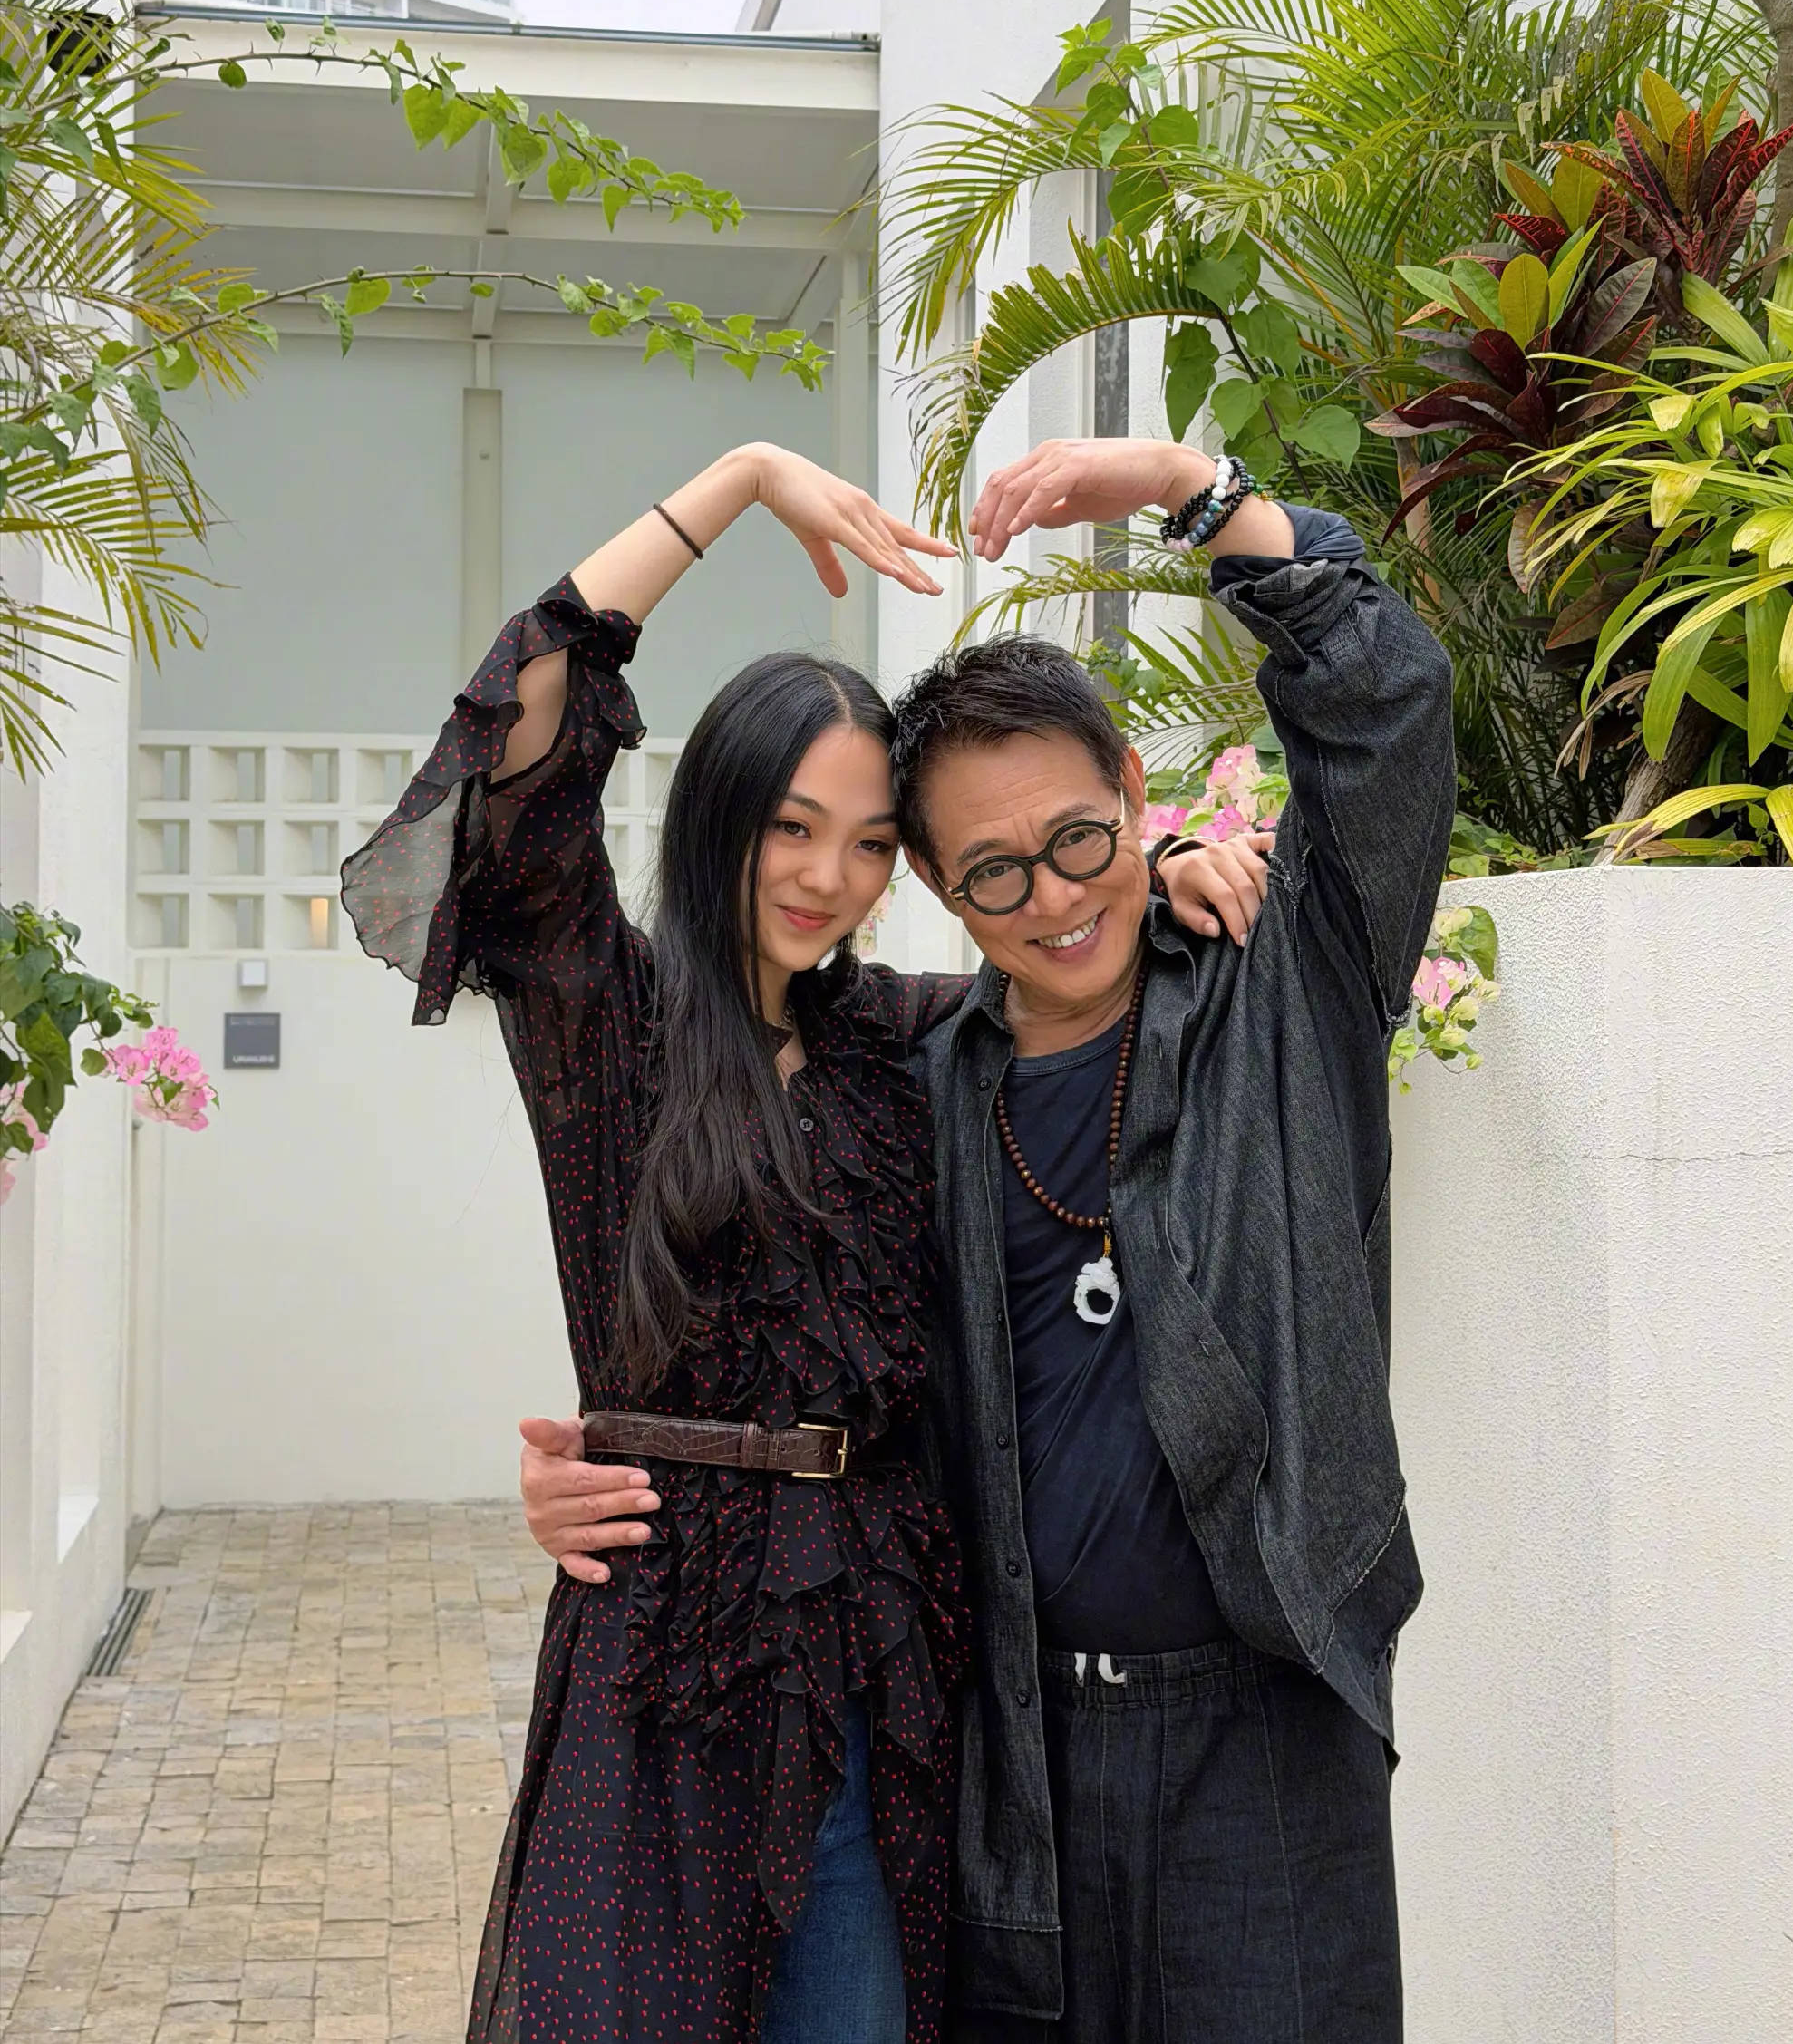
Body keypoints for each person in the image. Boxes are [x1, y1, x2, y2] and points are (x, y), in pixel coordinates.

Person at [522, 435, 1454, 2044]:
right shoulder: (914, 1073)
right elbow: (783, 1306)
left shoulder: (1285, 988)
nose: (1055, 897)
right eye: (994, 870)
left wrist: (1181, 481)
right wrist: (623, 1452)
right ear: (946, 894)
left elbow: (1385, 702)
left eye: (1083, 840)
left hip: (1264, 1734)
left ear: (1137, 799)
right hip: (1000, 1754)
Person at [342, 441, 1260, 2044]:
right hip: (664, 1645)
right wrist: (745, 481)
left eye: (868, 842)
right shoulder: (603, 1014)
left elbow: (1066, 954)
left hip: (880, 1661)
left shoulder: (911, 1037)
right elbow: (529, 722)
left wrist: (1167, 864)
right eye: (790, 827)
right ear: (722, 818)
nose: (828, 878)